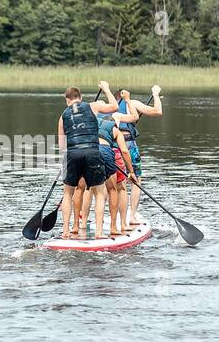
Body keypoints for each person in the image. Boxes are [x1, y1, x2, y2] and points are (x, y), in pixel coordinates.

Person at [57, 82, 118, 240]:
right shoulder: (93, 106)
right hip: (92, 152)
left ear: (67, 100)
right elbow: (114, 106)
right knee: (98, 193)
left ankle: (65, 231)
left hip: (72, 154)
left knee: (67, 193)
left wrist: (67, 161)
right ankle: (98, 233)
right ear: (80, 97)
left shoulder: (63, 116)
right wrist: (106, 88)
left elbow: (62, 145)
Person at [113, 85, 162, 222]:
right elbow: (157, 111)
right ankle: (132, 216)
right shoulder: (132, 103)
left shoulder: (108, 107)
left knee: (115, 182)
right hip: (128, 143)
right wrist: (155, 94)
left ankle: (114, 216)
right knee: (136, 181)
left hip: (112, 145)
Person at [97, 113, 137, 236]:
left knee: (97, 192)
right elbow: (124, 150)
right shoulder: (115, 130)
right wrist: (131, 172)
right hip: (113, 155)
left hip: (91, 153)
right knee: (118, 189)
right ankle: (119, 225)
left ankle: (84, 225)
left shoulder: (94, 125)